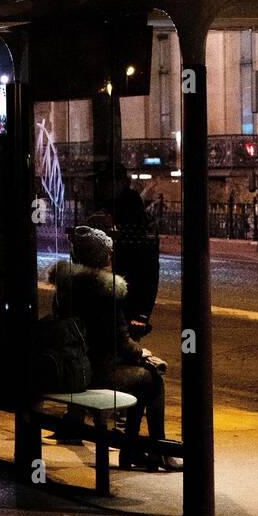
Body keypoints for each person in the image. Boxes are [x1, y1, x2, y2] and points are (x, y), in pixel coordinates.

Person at [48, 225, 180, 471]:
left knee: (142, 378)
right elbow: (121, 341)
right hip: (94, 373)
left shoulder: (66, 287)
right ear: (102, 257)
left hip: (72, 367)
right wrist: (144, 354)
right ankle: (156, 451)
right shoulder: (106, 291)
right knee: (152, 380)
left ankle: (135, 450)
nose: (111, 256)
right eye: (109, 253)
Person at [111, 166, 160, 336]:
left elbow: (146, 270)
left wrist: (142, 314)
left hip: (127, 287)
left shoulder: (127, 207)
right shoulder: (122, 205)